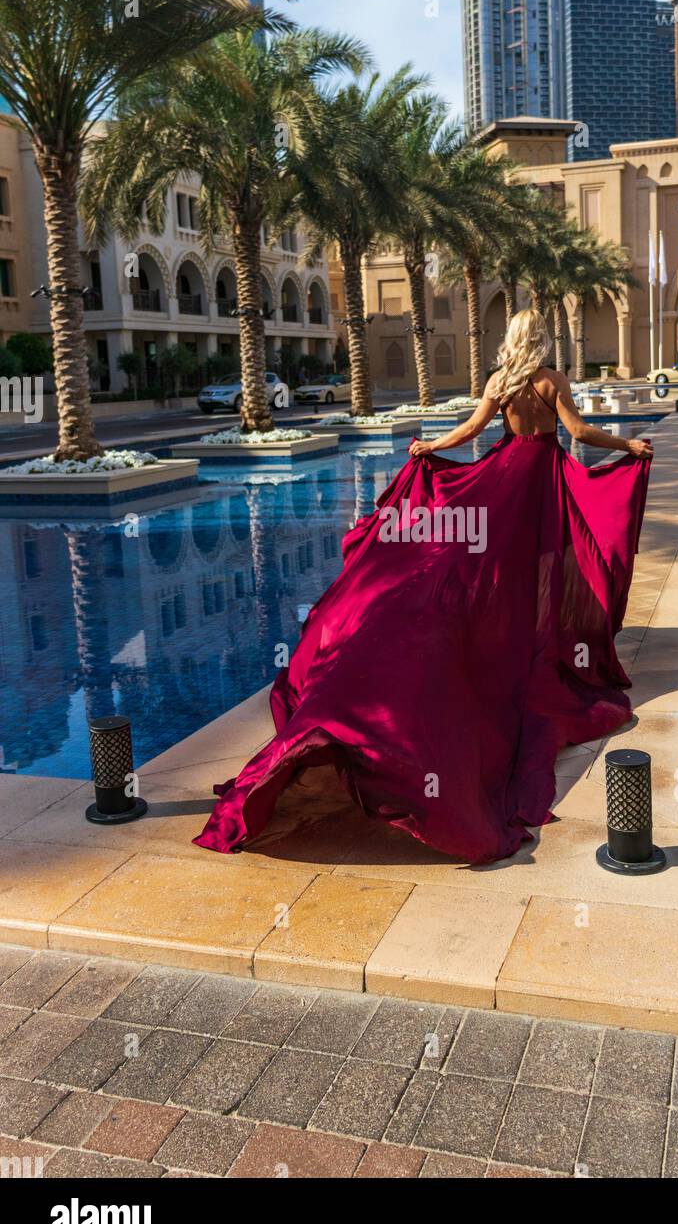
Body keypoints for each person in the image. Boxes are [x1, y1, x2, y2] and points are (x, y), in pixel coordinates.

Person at [195, 309, 652, 864]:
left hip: (503, 478)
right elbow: (578, 433)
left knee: (492, 570)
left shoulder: (501, 382)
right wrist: (629, 448)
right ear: (543, 339)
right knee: (547, 565)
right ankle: (539, 642)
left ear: (510, 338)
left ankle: (505, 635)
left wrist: (430, 448)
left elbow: (469, 432)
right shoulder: (550, 380)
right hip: (540, 483)